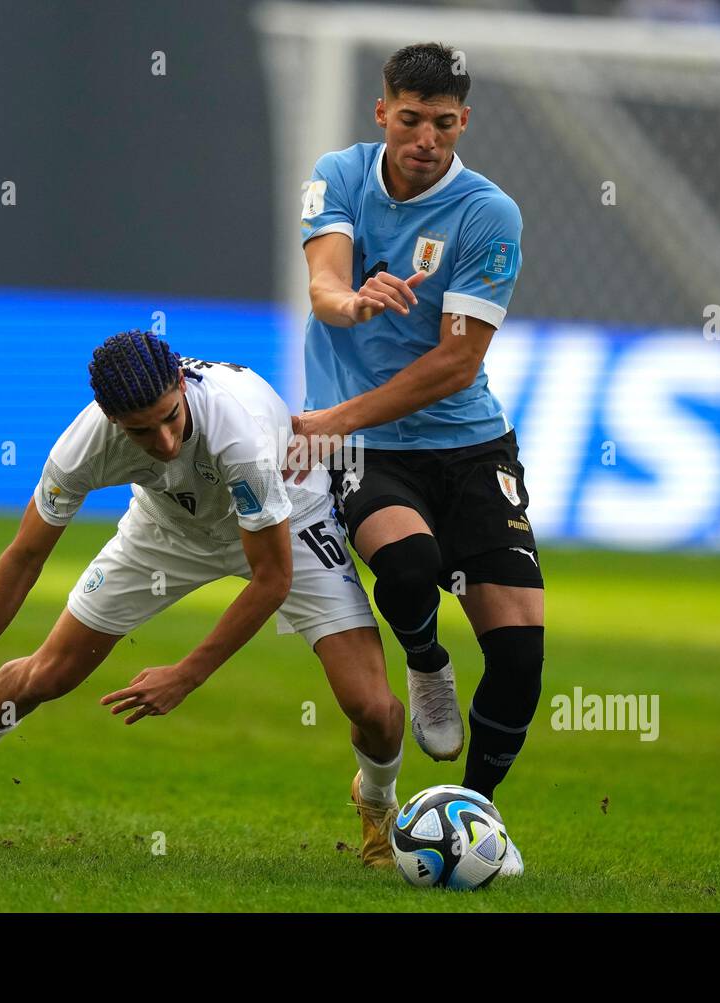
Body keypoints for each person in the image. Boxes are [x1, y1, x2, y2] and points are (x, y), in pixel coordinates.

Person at [0, 330, 405, 867]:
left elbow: (270, 579)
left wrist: (187, 674)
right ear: (112, 420)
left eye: (169, 418)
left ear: (182, 386)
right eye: (140, 431)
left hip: (288, 523)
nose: (162, 442)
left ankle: (376, 803)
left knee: (372, 706)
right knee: (50, 674)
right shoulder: (82, 445)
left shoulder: (238, 435)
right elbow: (25, 556)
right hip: (166, 530)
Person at [294, 43, 541, 874]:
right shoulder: (339, 176)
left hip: (468, 442)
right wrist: (351, 300)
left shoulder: (488, 214)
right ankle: (427, 661)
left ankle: (475, 817)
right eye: (410, 119)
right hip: (371, 448)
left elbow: (455, 364)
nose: (425, 138)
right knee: (407, 565)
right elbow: (324, 286)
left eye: (443, 123)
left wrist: (332, 415)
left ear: (463, 122)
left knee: (518, 655)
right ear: (382, 114)